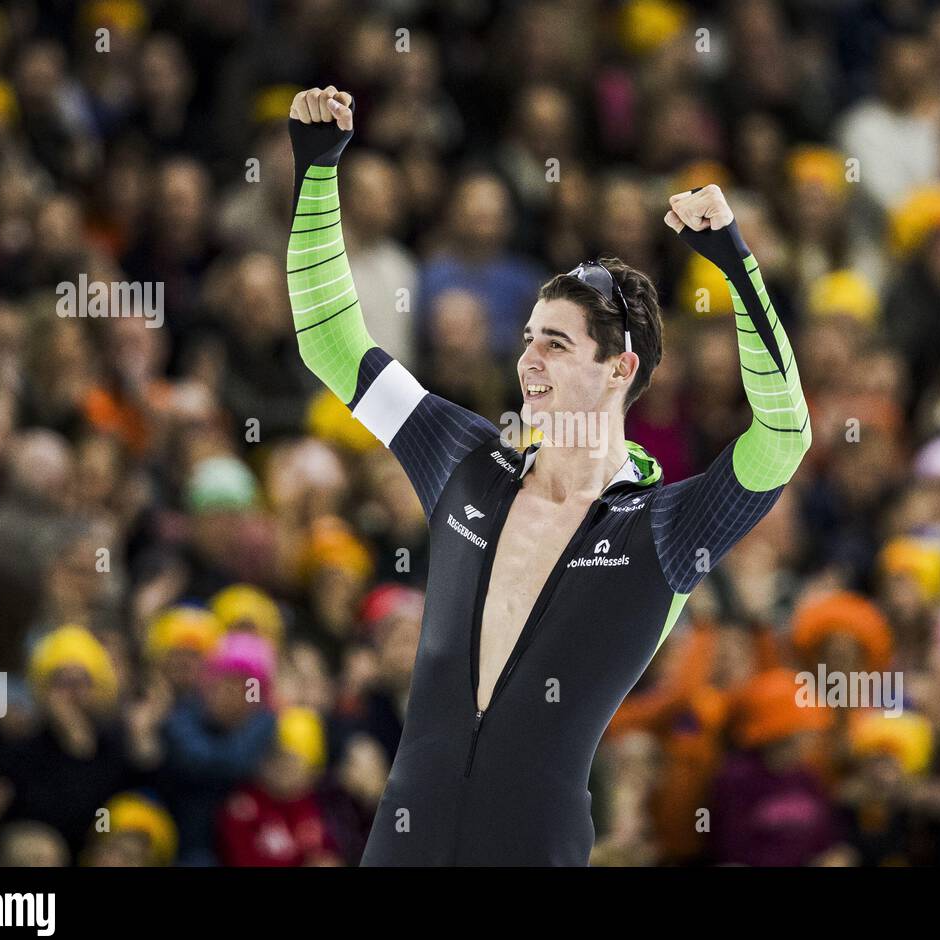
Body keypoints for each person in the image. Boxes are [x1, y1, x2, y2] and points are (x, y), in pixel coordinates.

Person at [286, 86, 810, 865]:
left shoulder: (662, 527)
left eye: (557, 345)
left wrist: (737, 267)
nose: (528, 359)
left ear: (618, 369)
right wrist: (318, 173)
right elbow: (332, 343)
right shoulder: (467, 461)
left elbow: (783, 437)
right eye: (529, 337)